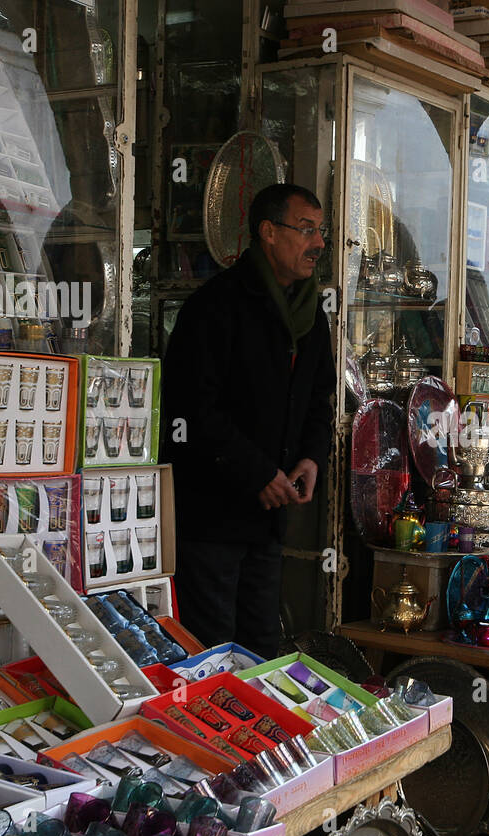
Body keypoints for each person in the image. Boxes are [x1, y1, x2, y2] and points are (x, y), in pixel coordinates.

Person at [162, 184, 337, 657]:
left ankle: (260, 731)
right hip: (211, 517)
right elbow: (191, 411)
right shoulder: (215, 308)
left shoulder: (309, 315)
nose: (318, 243)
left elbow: (321, 398)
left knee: (262, 645)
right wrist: (256, 472)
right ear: (268, 233)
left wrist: (310, 458)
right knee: (211, 649)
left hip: (270, 519)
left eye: (321, 231)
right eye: (305, 230)